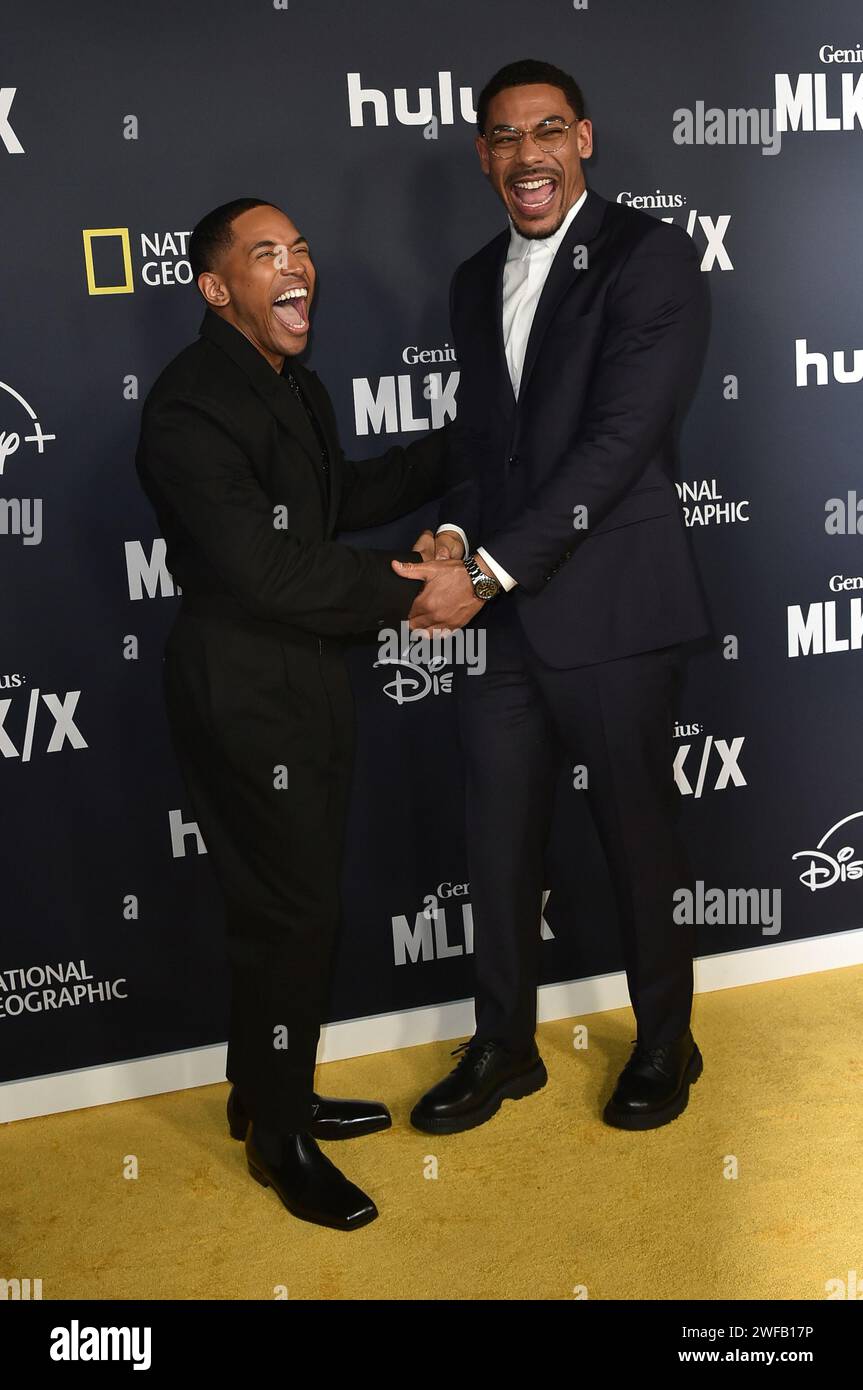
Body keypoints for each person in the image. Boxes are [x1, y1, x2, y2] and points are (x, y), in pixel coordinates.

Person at [395, 59, 712, 1135]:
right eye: (500, 137)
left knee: (636, 837)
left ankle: (666, 1040)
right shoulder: (472, 276)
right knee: (494, 840)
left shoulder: (648, 257)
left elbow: (616, 444)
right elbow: (497, 451)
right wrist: (454, 529)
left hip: (614, 605)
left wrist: (484, 571)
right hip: (512, 617)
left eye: (543, 132)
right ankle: (502, 1047)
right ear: (481, 154)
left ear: (581, 138)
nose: (522, 156)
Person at [136, 198, 445, 1229]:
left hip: (302, 678)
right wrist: (411, 592)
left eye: (300, 246)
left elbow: (331, 502)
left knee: (288, 907)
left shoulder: (290, 383)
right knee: (290, 914)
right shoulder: (189, 406)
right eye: (265, 253)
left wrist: (459, 450)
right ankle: (280, 1139)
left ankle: (260, 1090)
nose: (295, 263)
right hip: (245, 689)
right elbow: (265, 564)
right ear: (216, 289)